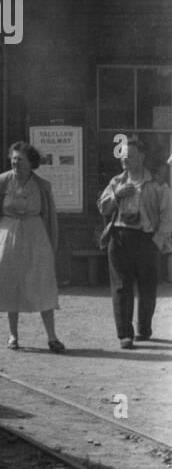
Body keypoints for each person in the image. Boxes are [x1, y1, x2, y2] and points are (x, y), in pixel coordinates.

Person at [0, 141, 65, 352]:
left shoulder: (43, 185)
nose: (16, 163)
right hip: (7, 235)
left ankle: (52, 337)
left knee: (42, 283)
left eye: (20, 159)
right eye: (14, 158)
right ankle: (13, 336)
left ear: (31, 163)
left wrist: (52, 243)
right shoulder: (1, 181)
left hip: (36, 236)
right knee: (11, 283)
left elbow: (50, 216)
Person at [97, 134, 172, 348]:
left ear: (142, 156)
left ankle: (144, 328)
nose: (125, 160)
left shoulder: (157, 184)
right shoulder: (116, 182)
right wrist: (116, 196)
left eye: (129, 156)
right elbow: (102, 207)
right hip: (120, 238)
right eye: (122, 156)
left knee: (148, 288)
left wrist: (157, 241)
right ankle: (125, 334)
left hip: (147, 240)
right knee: (121, 287)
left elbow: (168, 216)